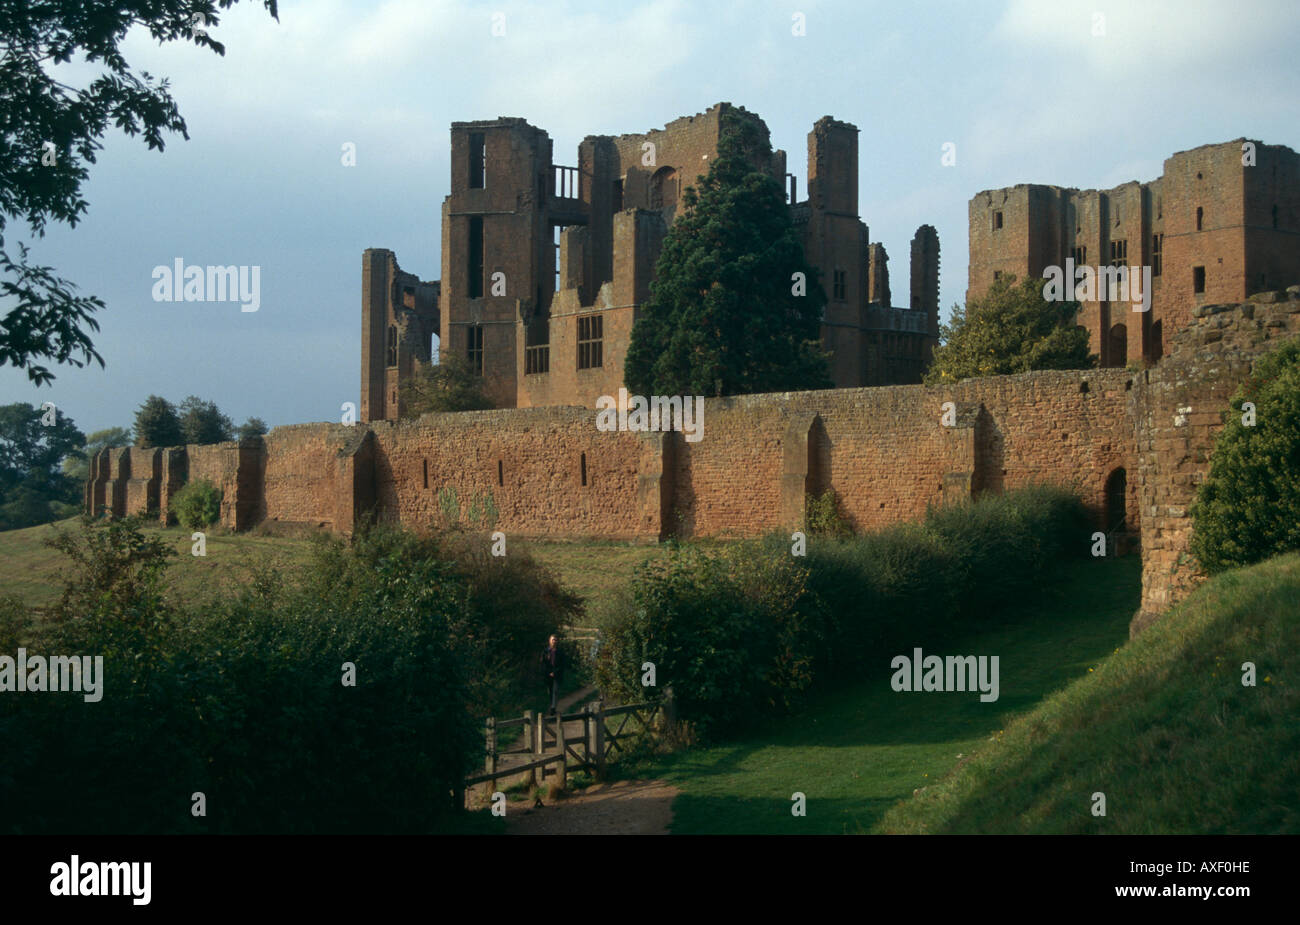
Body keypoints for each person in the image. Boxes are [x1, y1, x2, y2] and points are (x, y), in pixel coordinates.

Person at [540, 633, 565, 715]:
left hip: (557, 674)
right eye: (552, 640)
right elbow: (543, 663)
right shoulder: (545, 652)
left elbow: (562, 664)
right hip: (548, 675)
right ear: (549, 641)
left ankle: (553, 707)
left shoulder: (560, 652)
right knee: (550, 691)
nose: (554, 641)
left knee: (555, 690)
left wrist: (555, 672)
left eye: (555, 640)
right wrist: (548, 672)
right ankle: (551, 706)